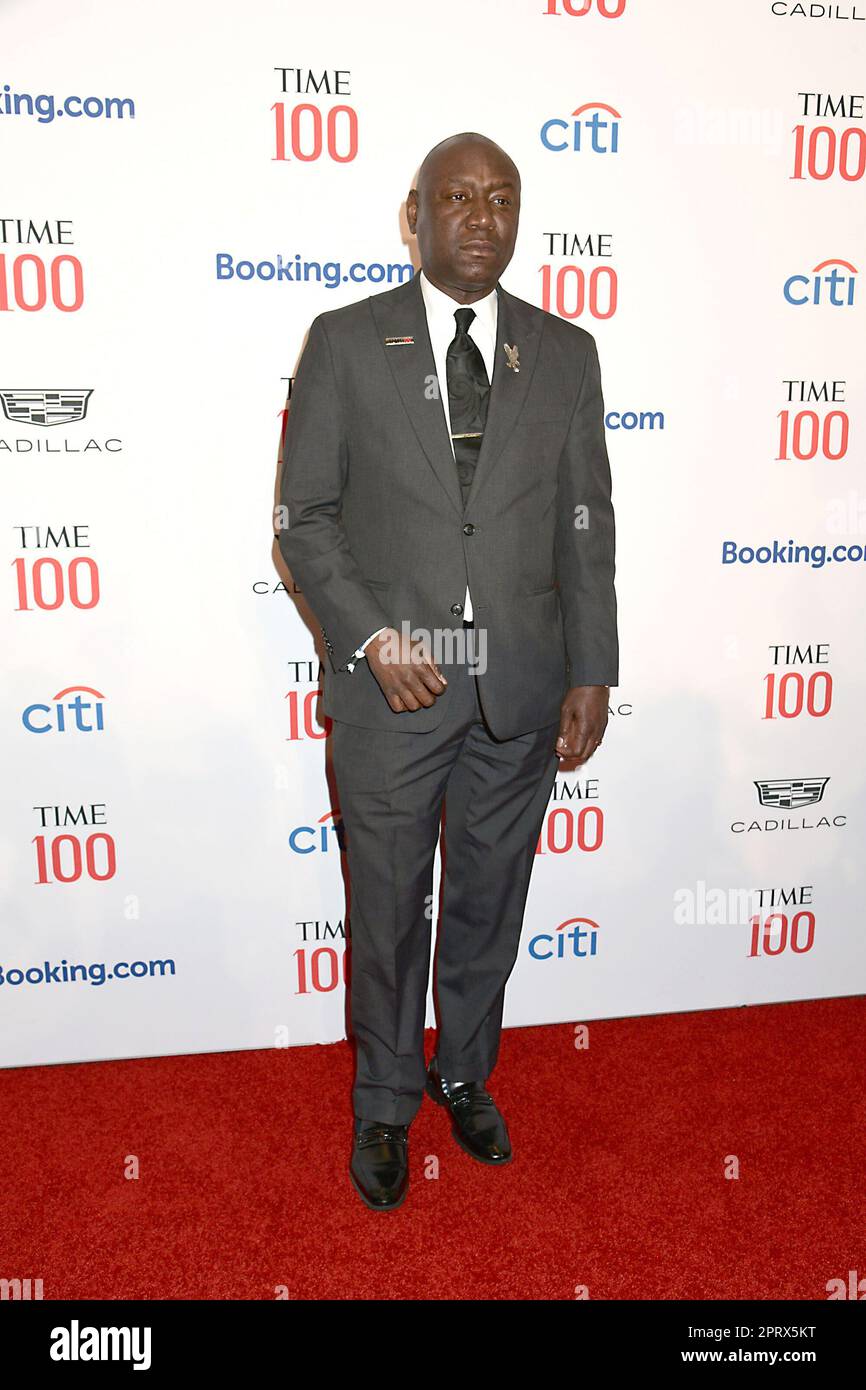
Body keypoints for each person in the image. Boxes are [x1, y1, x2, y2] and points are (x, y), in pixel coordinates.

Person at [278, 131, 618, 1211]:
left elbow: (585, 523)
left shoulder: (562, 353)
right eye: (457, 198)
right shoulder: (342, 341)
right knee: (385, 903)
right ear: (411, 215)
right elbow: (305, 522)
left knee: (486, 897)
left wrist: (591, 666)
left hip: (514, 680)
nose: (481, 217)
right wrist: (376, 636)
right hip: (395, 684)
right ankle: (383, 1101)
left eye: (501, 199)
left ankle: (463, 1070)